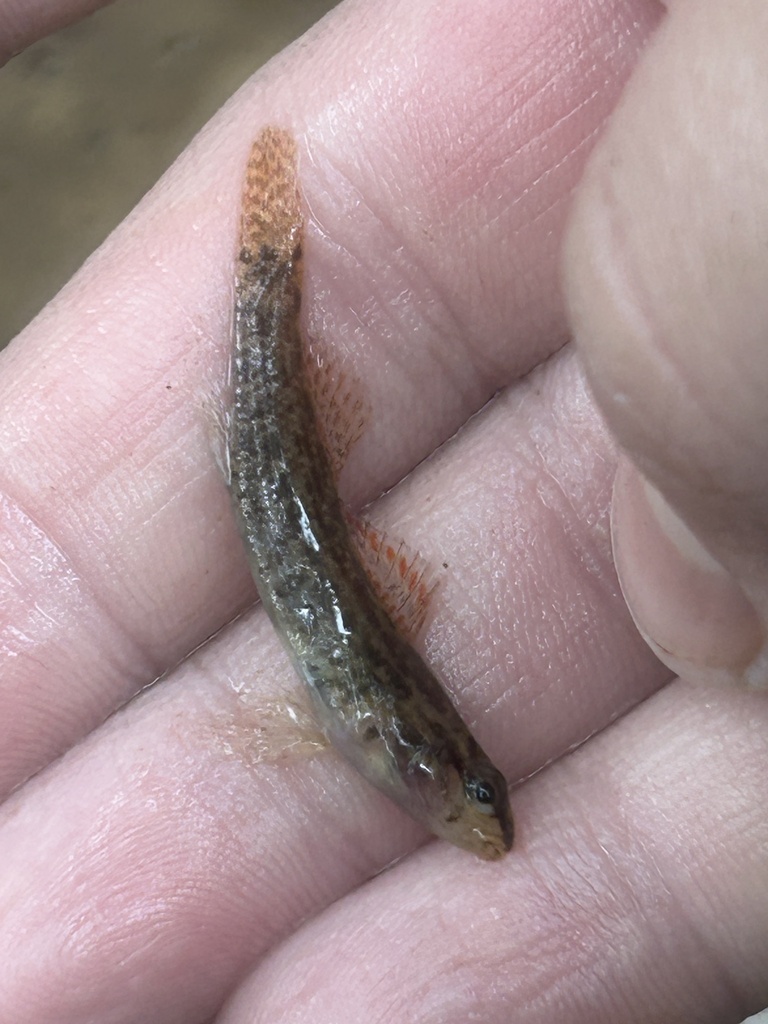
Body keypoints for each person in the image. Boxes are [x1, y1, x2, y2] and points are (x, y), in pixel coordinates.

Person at [0, 0, 765, 1021]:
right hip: (283, 494)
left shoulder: (399, 739)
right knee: (266, 360)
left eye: (482, 801)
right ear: (436, 761)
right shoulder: (405, 739)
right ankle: (268, 263)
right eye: (477, 796)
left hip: (291, 509)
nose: (482, 823)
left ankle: (269, 268)